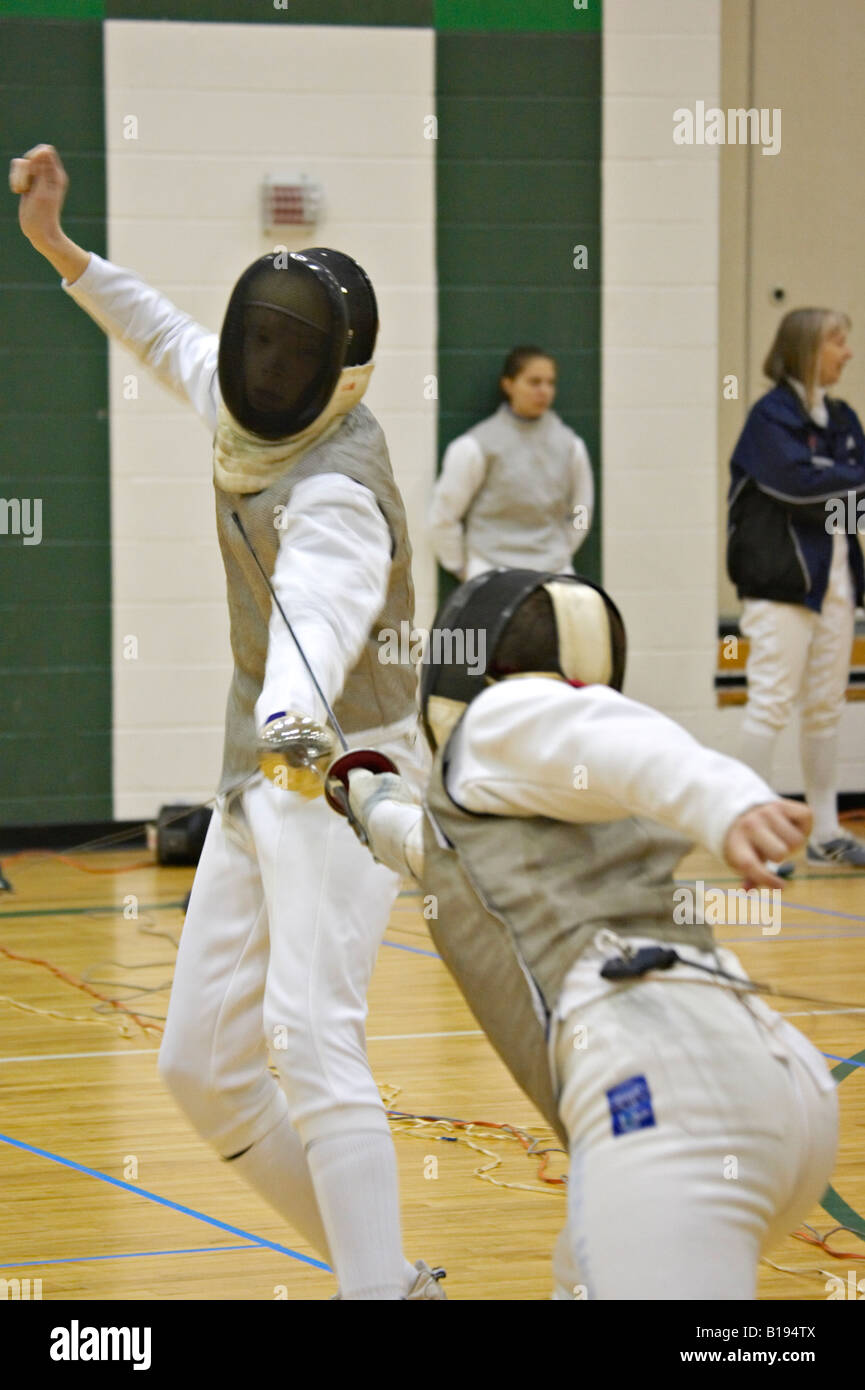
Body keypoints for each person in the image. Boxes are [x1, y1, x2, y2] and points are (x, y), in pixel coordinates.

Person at [12, 143, 445, 1301]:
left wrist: (293, 720)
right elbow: (160, 333)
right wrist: (63, 252)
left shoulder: (343, 491)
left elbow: (318, 615)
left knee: (310, 1033)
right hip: (263, 771)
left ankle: (376, 1291)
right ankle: (386, 1276)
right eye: (260, 336)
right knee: (203, 1064)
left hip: (347, 773)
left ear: (341, 376)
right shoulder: (249, 410)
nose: (262, 362)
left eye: (289, 349)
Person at [341, 569, 839, 1300]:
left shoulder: (503, 717)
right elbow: (433, 853)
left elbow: (599, 730)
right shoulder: (517, 798)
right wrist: (359, 792)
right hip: (777, 1089)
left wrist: (729, 803)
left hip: (666, 1107)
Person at [728, 308, 865, 867]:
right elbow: (799, 488)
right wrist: (839, 480)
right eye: (837, 342)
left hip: (836, 580)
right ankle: (750, 836)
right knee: (770, 706)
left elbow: (845, 494)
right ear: (808, 348)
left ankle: (826, 831)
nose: (847, 353)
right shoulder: (769, 417)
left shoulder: (841, 416)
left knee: (827, 708)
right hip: (780, 583)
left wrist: (834, 480)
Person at [428, 346, 594, 581]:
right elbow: (444, 514)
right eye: (534, 382)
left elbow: (581, 511)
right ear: (508, 385)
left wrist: (562, 551)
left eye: (550, 383)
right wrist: (460, 568)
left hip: (555, 570)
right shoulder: (475, 446)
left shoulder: (571, 446)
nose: (544, 391)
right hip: (490, 569)